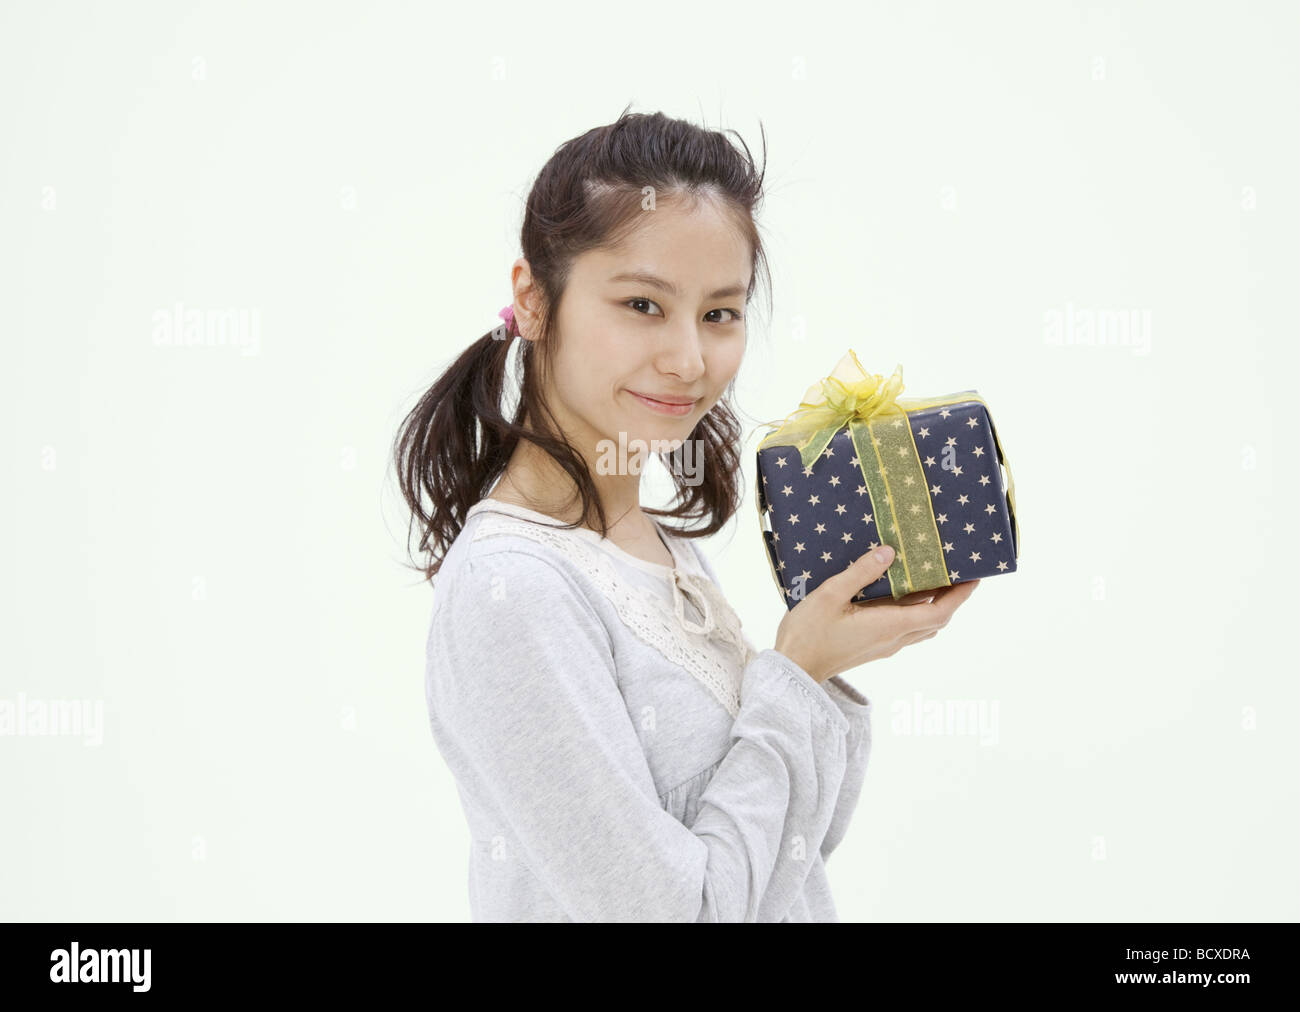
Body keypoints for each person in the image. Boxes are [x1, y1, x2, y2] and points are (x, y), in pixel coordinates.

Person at [391, 106, 979, 922]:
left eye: (719, 314)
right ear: (532, 298)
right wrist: (794, 674)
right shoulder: (514, 590)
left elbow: (788, 867)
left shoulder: (650, 544)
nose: (689, 360)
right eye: (641, 305)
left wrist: (828, 660)